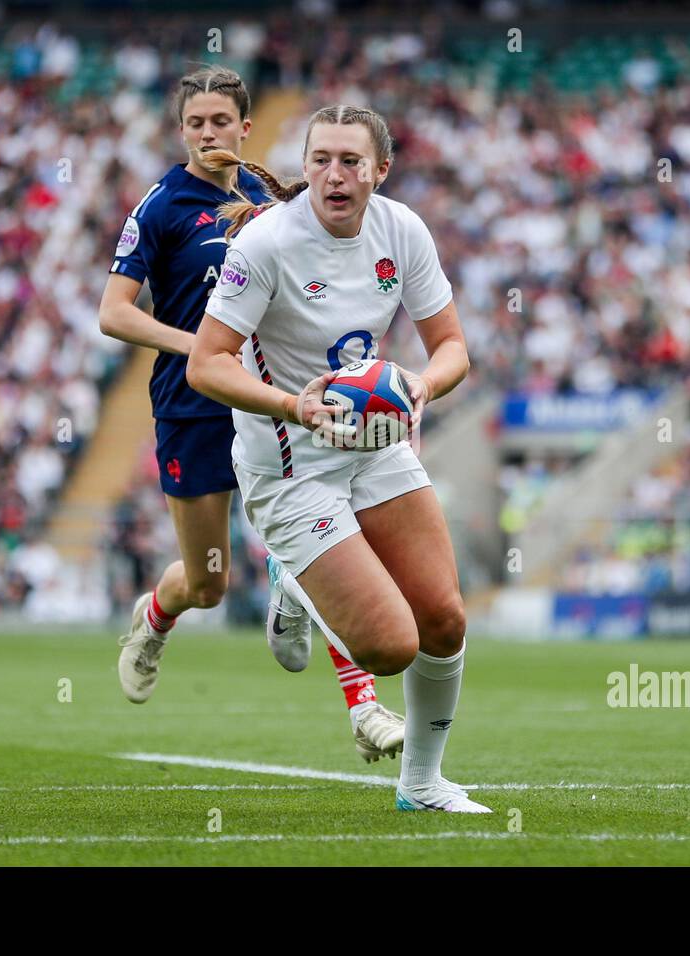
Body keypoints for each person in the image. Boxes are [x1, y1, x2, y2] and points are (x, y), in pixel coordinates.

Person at [186, 104, 490, 813]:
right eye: (320, 159)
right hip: (289, 466)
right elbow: (207, 364)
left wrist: (420, 384)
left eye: (351, 161)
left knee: (443, 619)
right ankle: (292, 576)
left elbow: (452, 350)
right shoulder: (266, 244)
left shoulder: (401, 229)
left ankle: (420, 785)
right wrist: (293, 404)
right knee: (389, 646)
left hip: (373, 444)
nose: (333, 174)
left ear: (380, 170)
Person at [98, 68, 405, 762]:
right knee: (207, 582)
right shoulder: (161, 207)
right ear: (181, 131)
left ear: (245, 127)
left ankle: (363, 707)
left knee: (323, 541)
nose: (208, 133)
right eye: (195, 122)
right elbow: (113, 313)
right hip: (195, 401)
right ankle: (154, 619)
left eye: (219, 121)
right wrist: (202, 345)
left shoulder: (276, 200)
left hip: (280, 400)